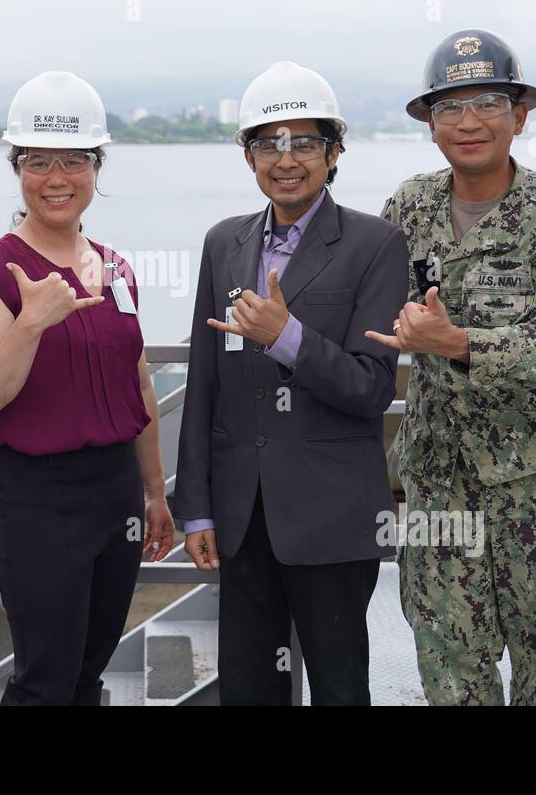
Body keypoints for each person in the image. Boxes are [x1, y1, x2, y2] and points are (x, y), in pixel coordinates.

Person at [370, 28, 536, 705]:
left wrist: (458, 343)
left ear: (520, 116)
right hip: (440, 481)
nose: (469, 121)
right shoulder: (408, 208)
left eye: (488, 101)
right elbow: (349, 286)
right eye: (450, 107)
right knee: (449, 665)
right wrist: (242, 298)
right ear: (430, 124)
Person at [174, 61, 407, 705]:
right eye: (268, 144)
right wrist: (194, 504)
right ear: (247, 156)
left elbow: (370, 388)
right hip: (242, 517)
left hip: (331, 517)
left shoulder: (376, 244)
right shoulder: (225, 242)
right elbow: (204, 384)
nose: (286, 159)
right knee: (249, 691)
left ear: (335, 153)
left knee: (337, 689)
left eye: (304, 143)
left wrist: (286, 336)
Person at [0, 71, 175, 705]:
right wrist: (30, 325)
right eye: (38, 161)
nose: (57, 177)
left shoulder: (117, 268)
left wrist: (154, 490)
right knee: (44, 680)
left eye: (74, 160)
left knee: (87, 675)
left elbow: (137, 383)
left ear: (96, 168)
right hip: (38, 495)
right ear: (16, 168)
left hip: (116, 491)